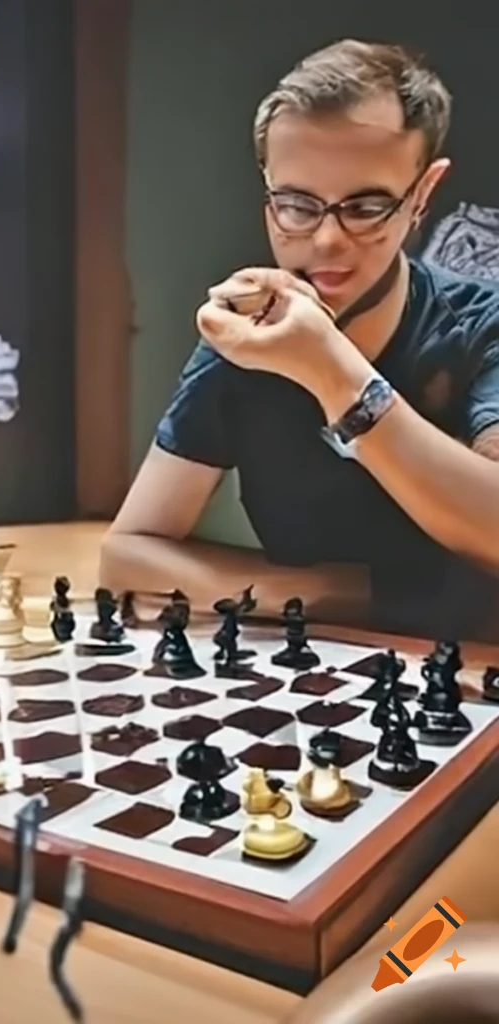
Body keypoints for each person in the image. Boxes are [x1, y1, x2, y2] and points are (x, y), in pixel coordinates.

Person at [102, 40, 499, 641]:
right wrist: (371, 593)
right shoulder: (246, 337)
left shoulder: (481, 325)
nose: (326, 242)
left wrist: (330, 369)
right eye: (295, 204)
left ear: (421, 194)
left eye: (365, 206)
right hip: (327, 671)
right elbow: (128, 557)